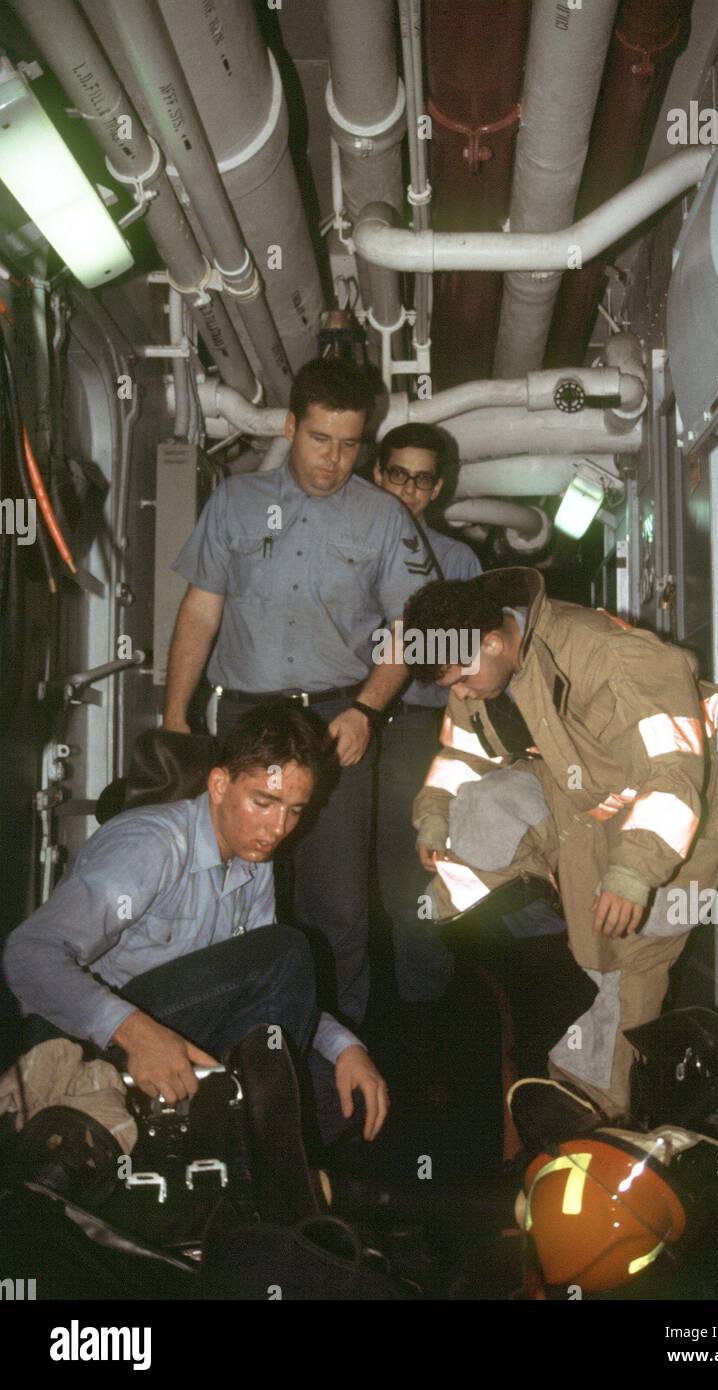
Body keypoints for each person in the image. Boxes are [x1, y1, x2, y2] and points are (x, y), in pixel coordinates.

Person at [163, 359, 436, 1027]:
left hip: (337, 718)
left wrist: (369, 710)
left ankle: (335, 1054)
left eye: (350, 445)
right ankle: (238, 1051)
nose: (334, 460)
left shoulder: (384, 520)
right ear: (291, 426)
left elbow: (412, 631)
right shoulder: (233, 502)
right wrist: (175, 716)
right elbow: (200, 610)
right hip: (245, 719)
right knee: (228, 895)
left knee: (339, 908)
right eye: (320, 440)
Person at [403, 567, 718, 1119]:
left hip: (668, 830)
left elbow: (674, 778)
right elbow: (462, 756)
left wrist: (632, 875)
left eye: (459, 679)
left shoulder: (610, 656)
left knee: (629, 967)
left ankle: (609, 1113)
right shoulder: (487, 670)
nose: (457, 694)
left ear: (493, 641)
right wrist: (435, 818)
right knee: (583, 946)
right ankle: (559, 986)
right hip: (579, 817)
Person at [3, 705, 389, 1141]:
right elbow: (28, 953)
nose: (279, 827)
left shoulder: (254, 858)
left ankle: (200, 1150)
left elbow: (279, 991)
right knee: (286, 950)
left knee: (345, 1095)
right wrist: (132, 1031)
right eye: (264, 802)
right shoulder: (151, 846)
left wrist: (346, 1046)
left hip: (180, 1026)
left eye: (295, 810)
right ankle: (238, 1162)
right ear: (220, 784)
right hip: (103, 1040)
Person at [372, 424, 481, 1003]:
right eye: (397, 476)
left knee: (415, 876)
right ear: (377, 475)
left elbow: (465, 661)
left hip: (418, 734)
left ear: (436, 488)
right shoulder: (349, 546)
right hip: (346, 726)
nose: (407, 491)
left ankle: (422, 1014)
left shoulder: (458, 561)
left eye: (421, 480)